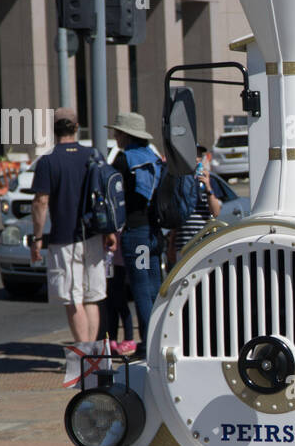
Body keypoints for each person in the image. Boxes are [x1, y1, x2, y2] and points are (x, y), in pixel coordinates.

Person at [29, 107, 119, 343]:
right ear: (77, 128)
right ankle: (95, 356)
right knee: (92, 298)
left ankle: (85, 352)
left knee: (73, 298)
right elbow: (105, 195)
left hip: (65, 238)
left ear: (54, 130)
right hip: (94, 234)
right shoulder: (93, 155)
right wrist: (109, 230)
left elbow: (41, 201)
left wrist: (37, 238)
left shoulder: (48, 161)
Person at [107, 112, 163, 348]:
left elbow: (112, 195)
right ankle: (159, 338)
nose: (115, 136)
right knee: (155, 289)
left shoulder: (123, 160)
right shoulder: (153, 157)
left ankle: (149, 344)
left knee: (140, 289)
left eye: (117, 132)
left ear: (126, 135)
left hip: (136, 234)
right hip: (154, 233)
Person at [166, 144, 231, 265]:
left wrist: (208, 187)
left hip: (203, 242)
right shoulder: (179, 180)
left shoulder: (208, 179)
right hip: (183, 243)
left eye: (199, 155)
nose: (196, 158)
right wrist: (171, 244)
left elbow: (216, 212)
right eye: (193, 154)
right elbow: (175, 215)